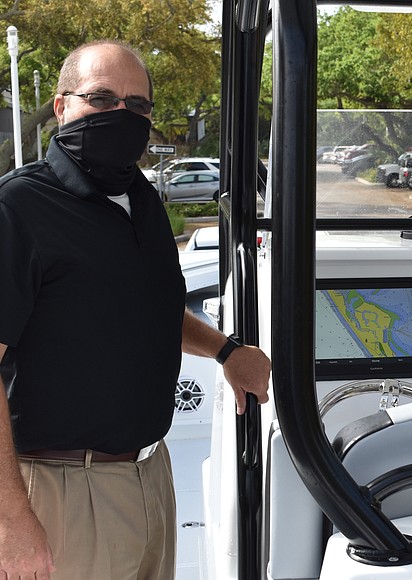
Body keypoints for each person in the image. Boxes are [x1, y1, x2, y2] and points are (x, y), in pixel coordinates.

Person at [0, 40, 271, 579]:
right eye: (102, 99)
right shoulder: (18, 207)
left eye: (137, 105)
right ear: (61, 106)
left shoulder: (142, 199)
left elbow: (146, 308)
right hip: (58, 492)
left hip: (151, 474)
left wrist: (225, 350)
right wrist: (10, 521)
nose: (121, 114)